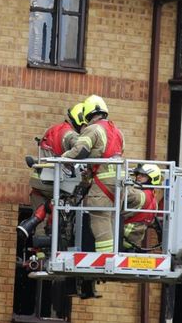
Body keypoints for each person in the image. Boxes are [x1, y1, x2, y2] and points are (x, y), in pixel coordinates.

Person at [62, 95, 124, 253]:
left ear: (88, 112)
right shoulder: (117, 132)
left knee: (100, 220)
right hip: (119, 182)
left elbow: (80, 150)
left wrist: (61, 159)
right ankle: (112, 254)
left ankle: (106, 258)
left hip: (102, 184)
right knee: (110, 219)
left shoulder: (93, 129)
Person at [18, 103, 85, 241]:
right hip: (55, 183)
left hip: (39, 182)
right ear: (79, 121)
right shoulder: (69, 134)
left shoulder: (53, 129)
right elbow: (82, 148)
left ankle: (41, 248)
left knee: (40, 227)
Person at [123, 164, 162, 252]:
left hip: (121, 240)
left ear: (152, 178)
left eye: (143, 175)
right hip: (134, 243)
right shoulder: (154, 200)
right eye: (137, 174)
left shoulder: (138, 194)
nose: (138, 177)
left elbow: (119, 194)